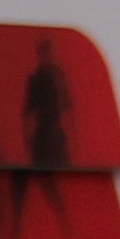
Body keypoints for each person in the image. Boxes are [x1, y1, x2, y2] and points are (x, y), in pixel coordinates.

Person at [22, 39, 74, 221]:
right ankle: (63, 217)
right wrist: (27, 136)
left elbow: (66, 105)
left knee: (60, 177)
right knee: (46, 177)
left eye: (47, 52)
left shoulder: (54, 76)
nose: (46, 56)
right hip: (45, 131)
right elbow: (29, 109)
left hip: (52, 132)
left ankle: (65, 218)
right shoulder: (37, 77)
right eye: (44, 53)